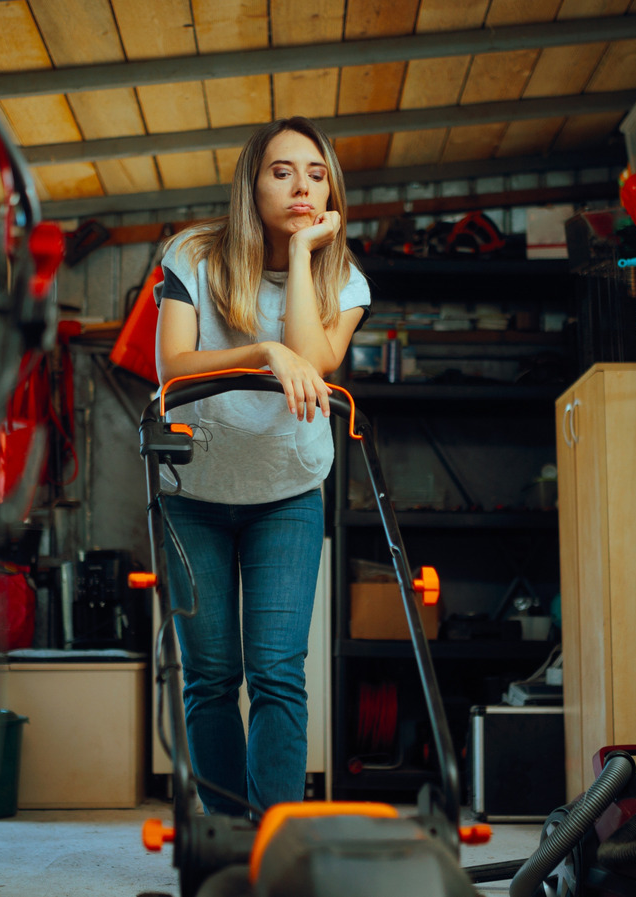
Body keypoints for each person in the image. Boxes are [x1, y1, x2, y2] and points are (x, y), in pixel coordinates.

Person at [153, 116, 370, 814]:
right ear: (252, 182)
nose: (302, 186)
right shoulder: (192, 255)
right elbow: (172, 371)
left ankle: (273, 839)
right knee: (211, 675)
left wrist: (305, 252)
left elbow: (310, 361)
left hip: (286, 493)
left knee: (277, 672)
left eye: (315, 172)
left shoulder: (348, 283)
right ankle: (223, 839)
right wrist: (260, 351)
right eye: (282, 171)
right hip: (193, 488)